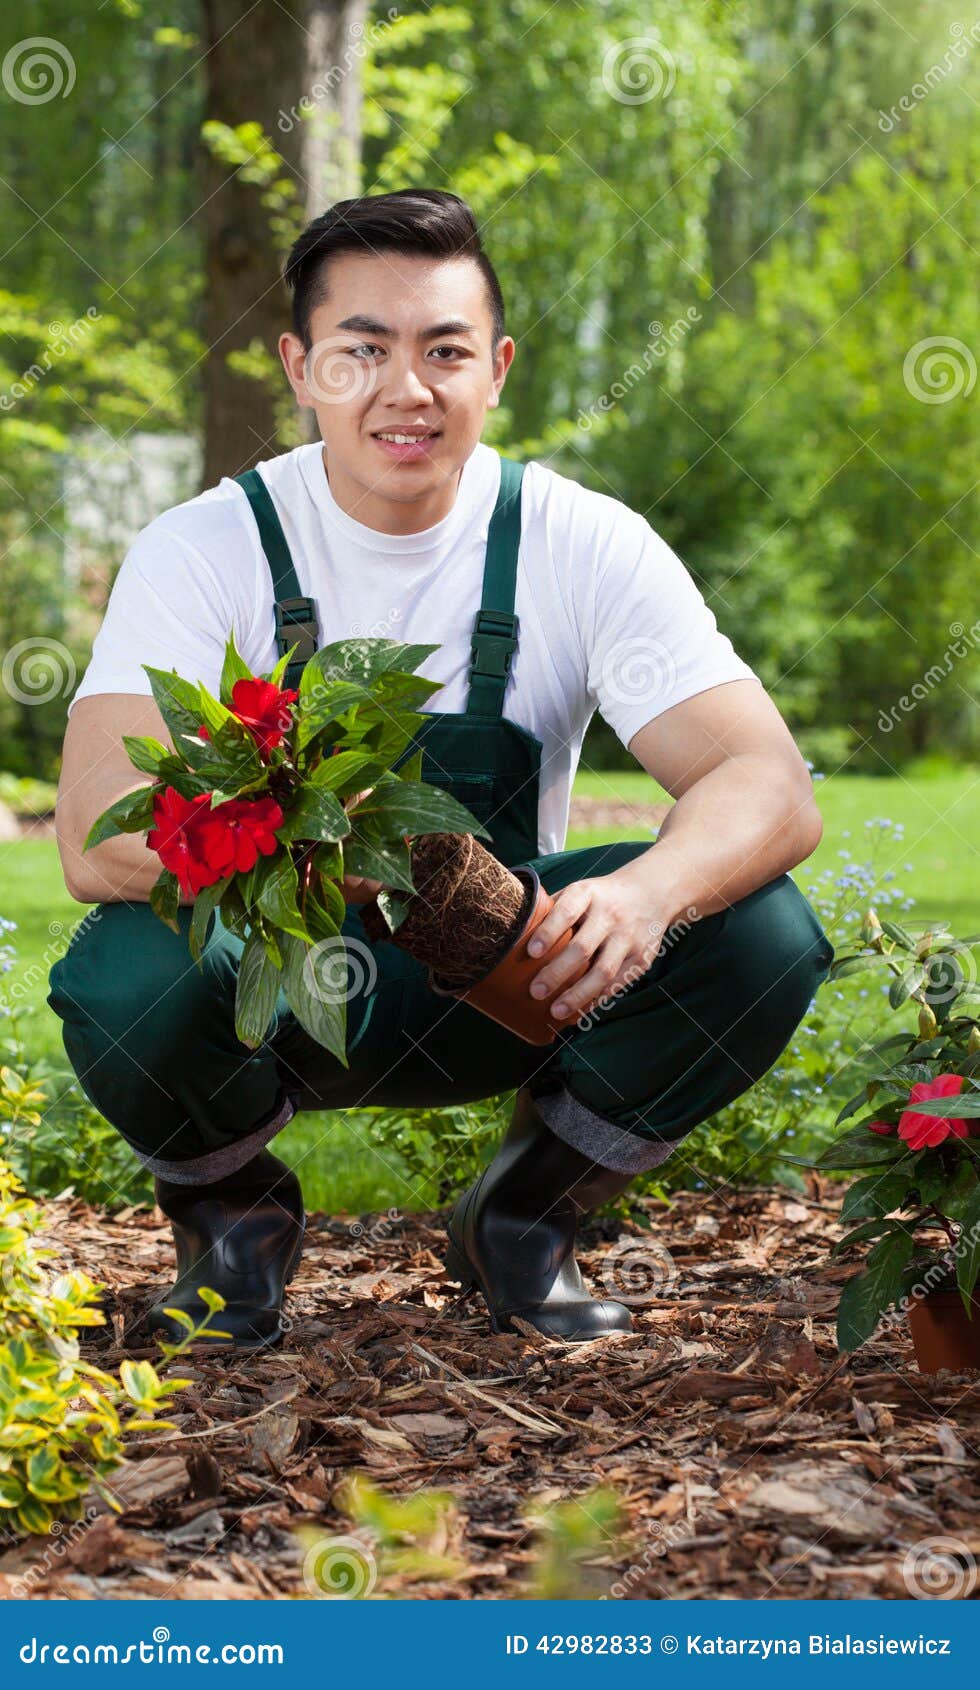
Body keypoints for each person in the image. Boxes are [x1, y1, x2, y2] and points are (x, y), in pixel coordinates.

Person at [48, 188, 832, 1352]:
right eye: (360, 350)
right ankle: (233, 1223)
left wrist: (643, 895)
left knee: (761, 932)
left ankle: (521, 1214)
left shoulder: (582, 542)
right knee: (122, 980)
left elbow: (767, 784)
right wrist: (335, 849)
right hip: (273, 990)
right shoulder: (202, 546)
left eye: (444, 350)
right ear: (298, 365)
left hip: (509, 981)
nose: (404, 390)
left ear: (497, 368)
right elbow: (94, 835)